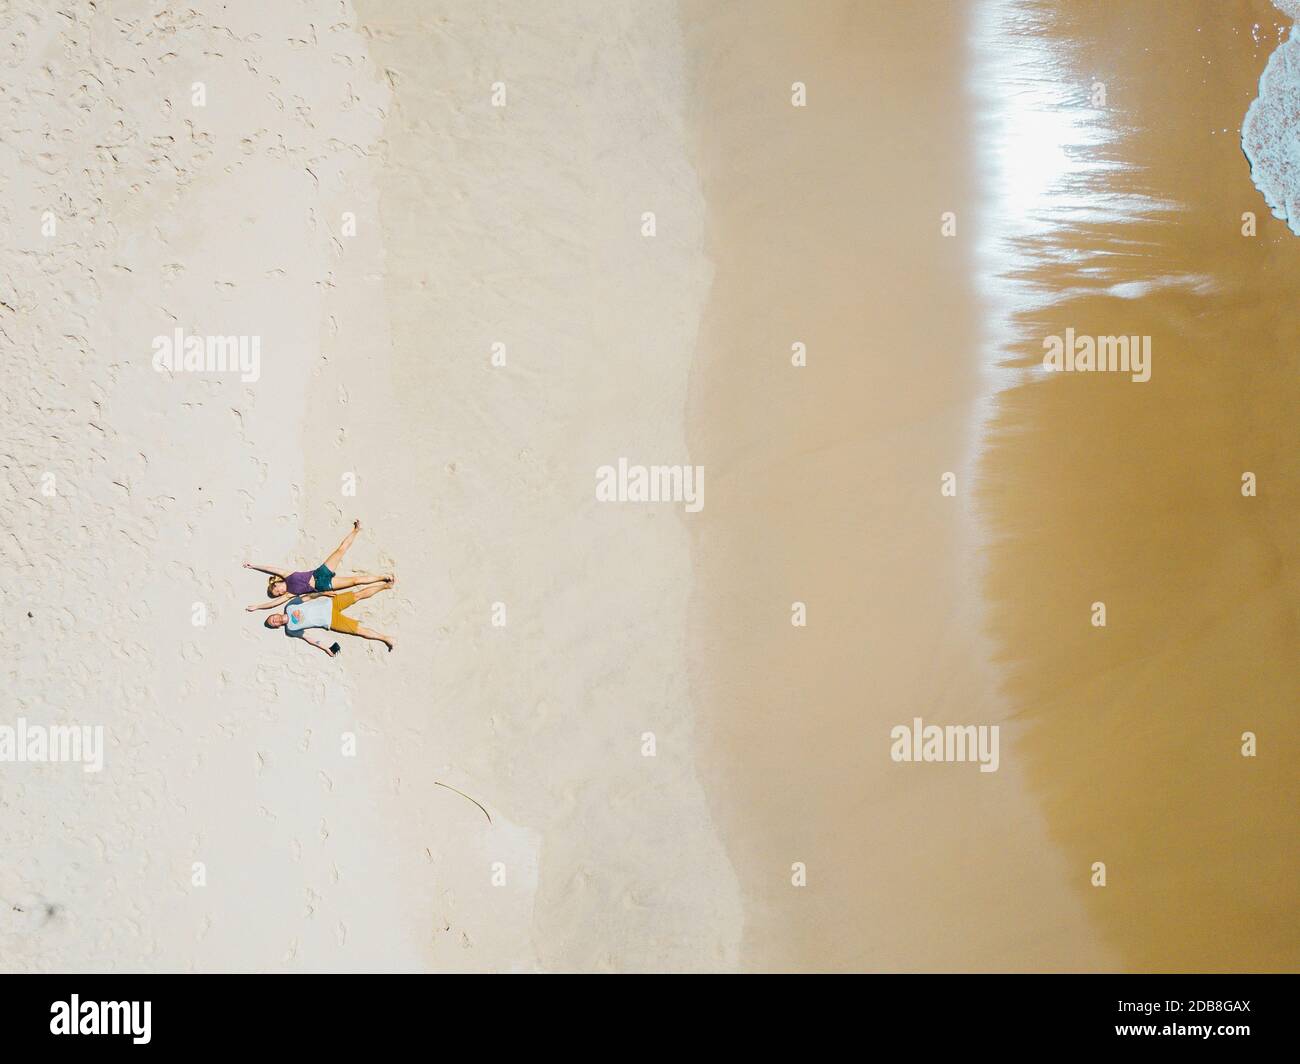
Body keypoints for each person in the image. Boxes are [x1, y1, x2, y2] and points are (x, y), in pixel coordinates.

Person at [245, 519, 390, 613]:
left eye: (278, 590)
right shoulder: (289, 594)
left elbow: (270, 568)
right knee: (355, 581)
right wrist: (257, 607)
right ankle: (383, 578)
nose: (280, 593)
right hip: (324, 584)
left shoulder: (287, 575)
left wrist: (253, 566)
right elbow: (272, 605)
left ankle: (356, 530)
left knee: (340, 550)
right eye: (278, 595)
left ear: (277, 584)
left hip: (319, 573)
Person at [264, 579, 396, 654]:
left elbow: (308, 597)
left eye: (272, 618)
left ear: (275, 613)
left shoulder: (289, 606)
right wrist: (327, 648)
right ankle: (386, 638)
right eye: (273, 623)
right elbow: (309, 639)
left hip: (330, 604)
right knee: (358, 630)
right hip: (331, 621)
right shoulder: (291, 630)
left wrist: (323, 593)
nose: (274, 620)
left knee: (357, 595)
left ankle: (385, 586)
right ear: (277, 627)